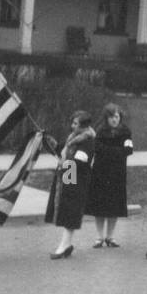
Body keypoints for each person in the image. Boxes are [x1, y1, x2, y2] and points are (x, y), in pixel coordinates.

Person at [46, 110, 96, 259]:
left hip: (78, 179)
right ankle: (66, 245)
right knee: (67, 209)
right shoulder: (73, 137)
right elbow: (60, 150)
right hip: (69, 176)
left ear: (83, 126)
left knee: (71, 211)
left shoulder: (88, 141)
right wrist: (47, 140)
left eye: (75, 123)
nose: (72, 126)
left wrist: (64, 164)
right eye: (73, 123)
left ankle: (63, 246)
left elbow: (80, 162)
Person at [86, 103, 132, 248]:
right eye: (111, 117)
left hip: (118, 173)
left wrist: (110, 151)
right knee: (100, 206)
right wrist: (117, 151)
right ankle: (99, 237)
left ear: (120, 117)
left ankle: (110, 237)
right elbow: (97, 149)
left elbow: (129, 150)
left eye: (117, 116)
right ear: (106, 118)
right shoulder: (100, 131)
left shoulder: (126, 131)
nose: (114, 120)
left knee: (114, 205)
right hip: (101, 172)